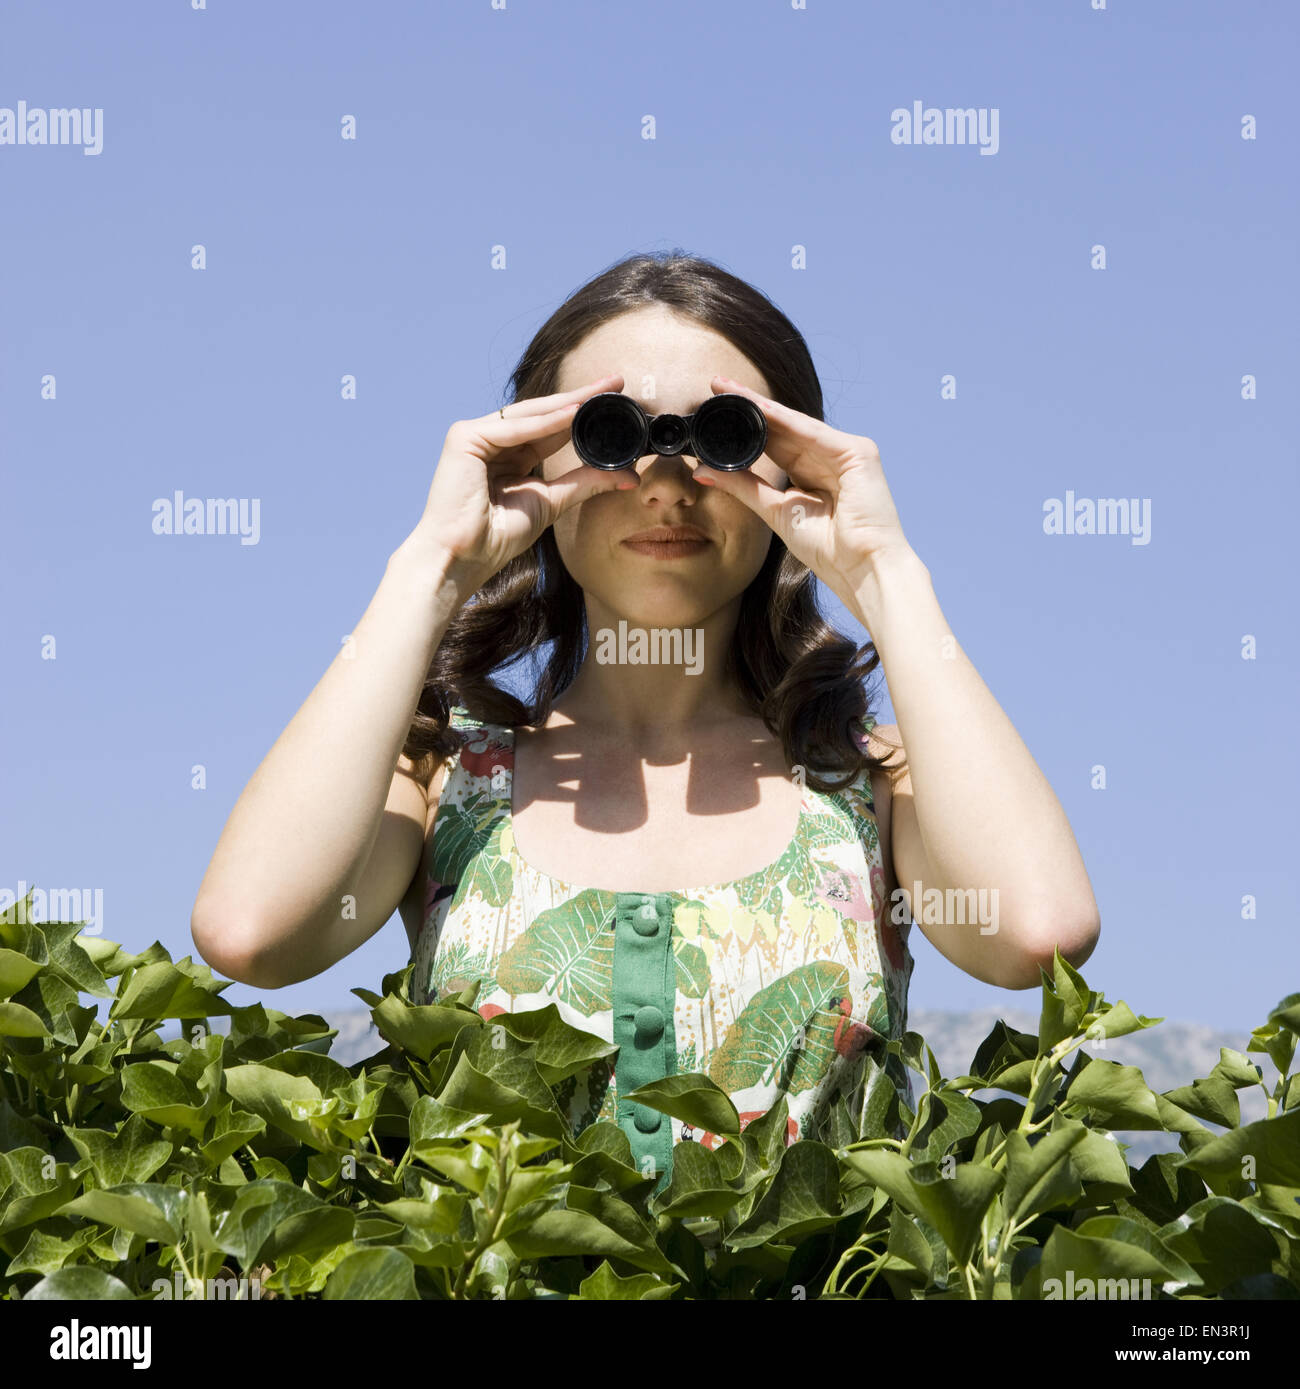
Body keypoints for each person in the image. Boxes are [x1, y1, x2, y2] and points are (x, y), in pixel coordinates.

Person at [191, 251, 1101, 1192]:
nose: (668, 484)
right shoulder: (439, 780)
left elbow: (1036, 934)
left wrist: (885, 574)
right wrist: (432, 563)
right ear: (533, 459)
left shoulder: (875, 786)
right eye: (613, 434)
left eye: (722, 437)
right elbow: (252, 930)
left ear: (789, 465)